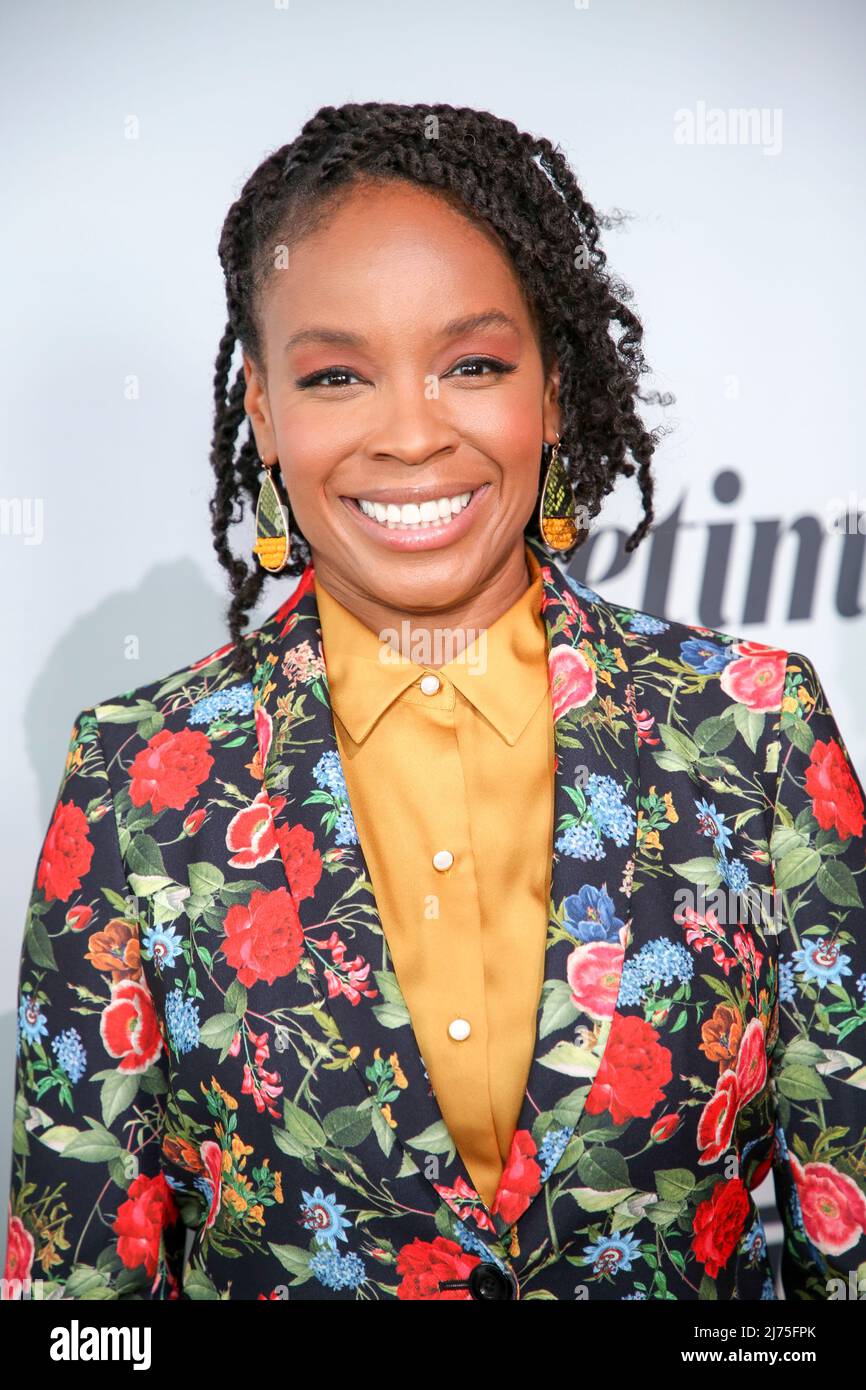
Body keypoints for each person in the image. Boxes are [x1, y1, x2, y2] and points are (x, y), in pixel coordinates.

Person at [4, 101, 865, 1302]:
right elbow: (74, 1306)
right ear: (263, 413)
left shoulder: (755, 733)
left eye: (472, 364)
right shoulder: (132, 782)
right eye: (337, 374)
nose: (410, 433)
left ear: (552, 389)